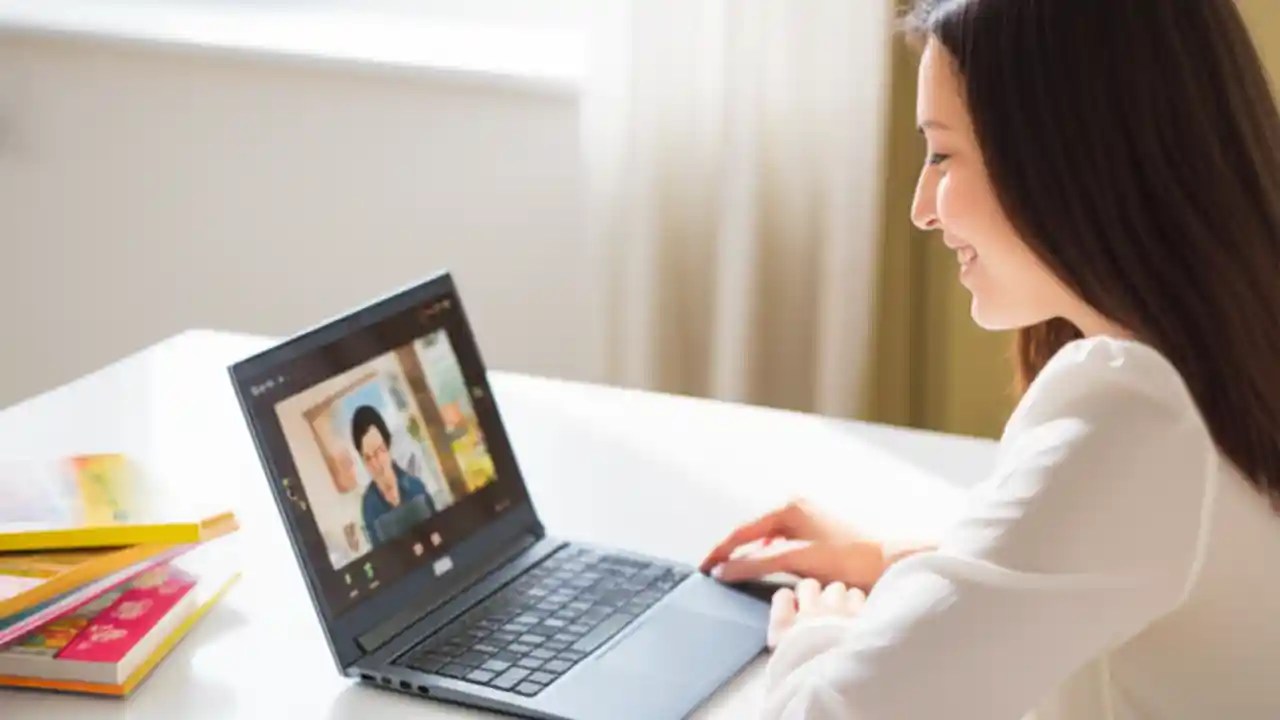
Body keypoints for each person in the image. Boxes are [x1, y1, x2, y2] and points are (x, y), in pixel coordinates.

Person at [700, 1, 1280, 718]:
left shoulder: (1141, 421)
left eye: (941, 154)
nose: (922, 207)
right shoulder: (1224, 370)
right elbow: (1123, 556)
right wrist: (900, 566)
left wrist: (820, 634)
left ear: (1063, 156)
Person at [351, 404, 436, 548]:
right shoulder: (368, 506)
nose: (376, 464)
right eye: (368, 458)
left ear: (388, 445)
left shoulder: (416, 486)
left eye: (379, 451)